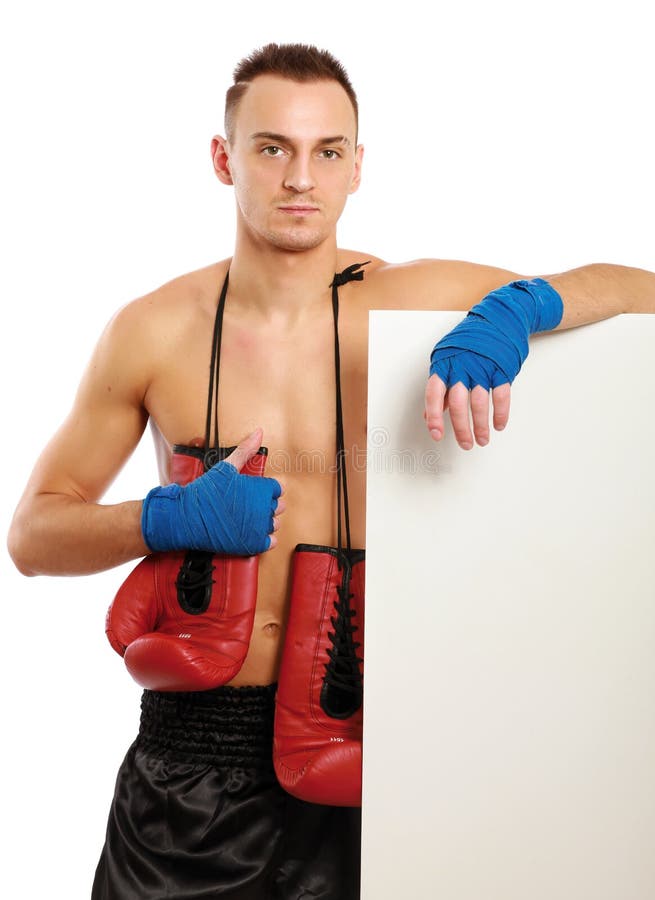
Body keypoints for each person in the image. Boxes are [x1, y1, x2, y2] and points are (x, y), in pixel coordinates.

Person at [7, 41, 655, 900]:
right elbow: (33, 535)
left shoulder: (412, 298)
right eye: (271, 147)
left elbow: (638, 289)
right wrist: (163, 518)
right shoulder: (153, 330)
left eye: (328, 151)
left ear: (358, 167)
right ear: (222, 158)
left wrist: (519, 307)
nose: (299, 177)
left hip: (379, 755)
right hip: (190, 765)